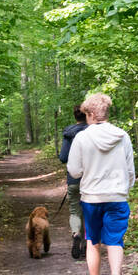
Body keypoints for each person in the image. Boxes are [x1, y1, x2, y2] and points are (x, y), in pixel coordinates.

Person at [66, 92, 135, 275]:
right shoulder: (122, 135)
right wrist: (124, 189)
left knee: (93, 242)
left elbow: (74, 171)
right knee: (115, 240)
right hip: (117, 197)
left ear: (91, 114)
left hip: (92, 198)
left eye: (86, 113)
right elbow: (130, 170)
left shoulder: (82, 138)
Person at [58, 105, 89, 259]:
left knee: (75, 210)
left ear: (75, 117)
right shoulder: (92, 132)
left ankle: (76, 233)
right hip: (91, 179)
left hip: (73, 178)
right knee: (88, 210)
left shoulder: (69, 133)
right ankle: (85, 244)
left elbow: (63, 157)